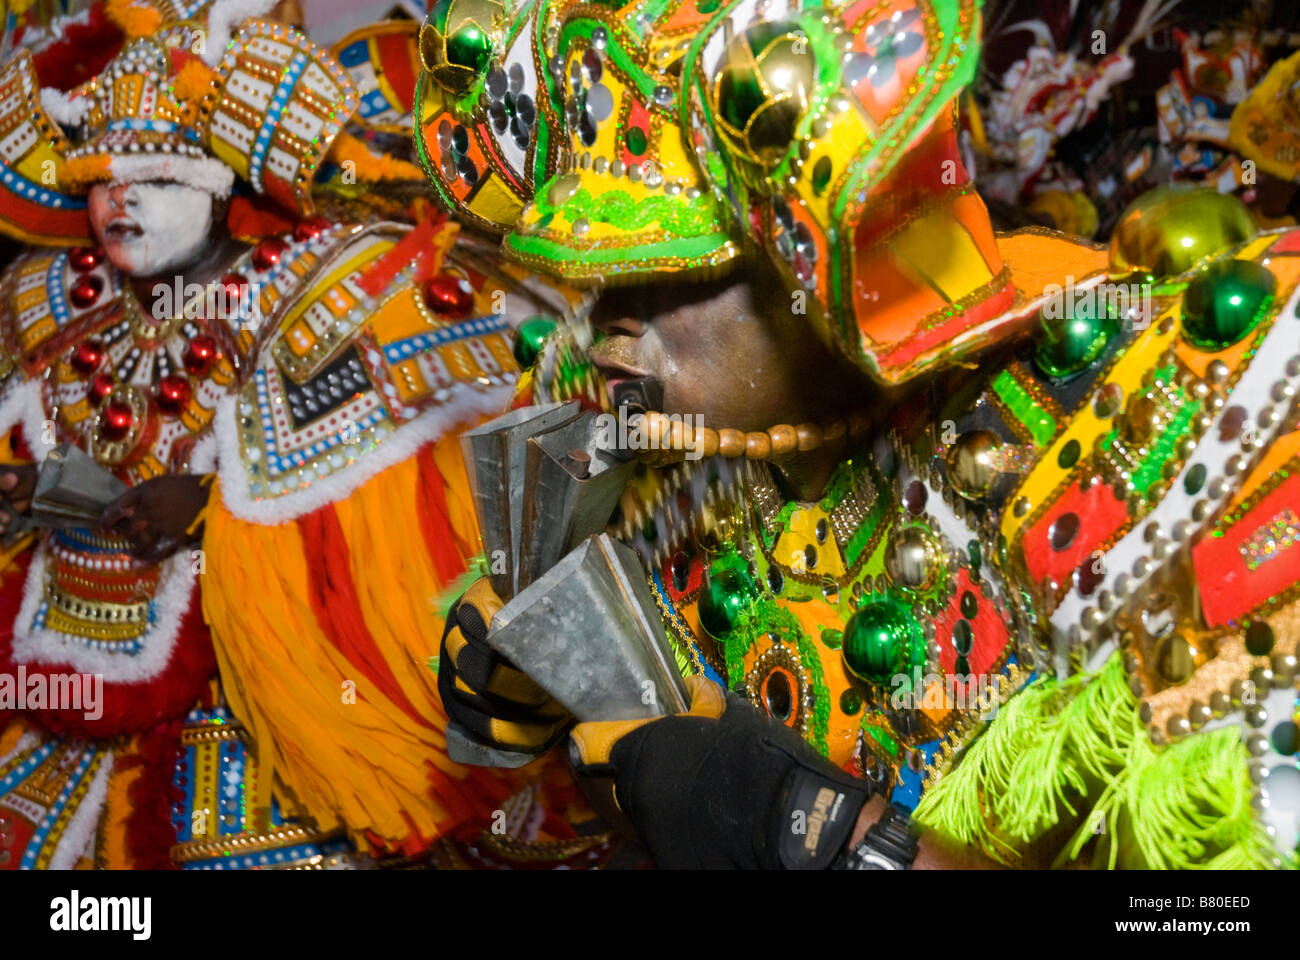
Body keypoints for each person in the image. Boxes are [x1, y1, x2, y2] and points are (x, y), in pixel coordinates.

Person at [429, 0, 1299, 869]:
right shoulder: (665, 461)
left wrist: (853, 847)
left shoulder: (1133, 441)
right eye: (591, 275)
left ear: (840, 263)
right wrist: (562, 679)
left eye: (664, 271)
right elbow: (662, 779)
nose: (607, 320)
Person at [0, 0, 558, 868]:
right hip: (63, 681)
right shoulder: (59, 300)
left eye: (160, 180)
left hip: (253, 708)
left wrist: (214, 507)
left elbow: (382, 523)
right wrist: (36, 492)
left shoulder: (317, 291)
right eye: (103, 181)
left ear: (224, 195)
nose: (122, 202)